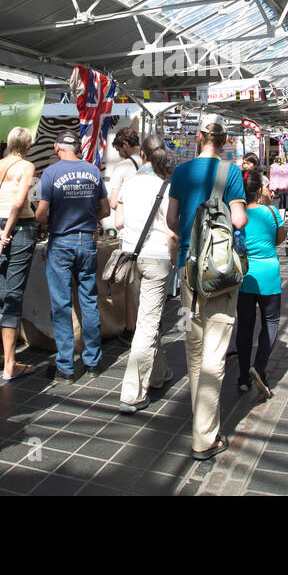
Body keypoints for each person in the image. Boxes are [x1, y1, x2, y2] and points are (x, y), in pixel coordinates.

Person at [167, 114, 247, 461]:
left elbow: (171, 220)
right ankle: (205, 435)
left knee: (195, 348)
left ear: (198, 137)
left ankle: (202, 423)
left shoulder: (181, 172)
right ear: (225, 139)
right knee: (215, 351)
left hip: (188, 267)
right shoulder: (230, 172)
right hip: (217, 270)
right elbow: (240, 219)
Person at [36, 129, 109, 383]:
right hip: (87, 240)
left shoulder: (50, 173)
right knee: (89, 300)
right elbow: (106, 209)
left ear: (57, 147)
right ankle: (93, 361)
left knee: (61, 304)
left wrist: (54, 221)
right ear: (77, 147)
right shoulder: (92, 171)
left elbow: (41, 215)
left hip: (61, 241)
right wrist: (89, 219)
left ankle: (66, 366)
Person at [115, 134, 177, 413]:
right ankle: (131, 393)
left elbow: (118, 222)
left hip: (131, 256)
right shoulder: (165, 186)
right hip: (157, 258)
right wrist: (175, 259)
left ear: (143, 156)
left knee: (147, 318)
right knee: (148, 324)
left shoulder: (129, 182)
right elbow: (172, 227)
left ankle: (159, 374)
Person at [0, 125, 38, 381]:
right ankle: (9, 363)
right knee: (13, 293)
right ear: (27, 146)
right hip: (19, 227)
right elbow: (18, 201)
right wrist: (7, 232)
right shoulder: (26, 167)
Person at [237, 167, 284, 400]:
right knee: (271, 321)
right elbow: (279, 239)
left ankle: (243, 377)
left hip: (244, 276)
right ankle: (260, 365)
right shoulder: (273, 213)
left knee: (244, 327)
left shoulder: (236, 215)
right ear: (259, 190)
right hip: (269, 275)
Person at [107, 127, 141, 209]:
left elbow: (114, 203)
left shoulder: (121, 167)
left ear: (125, 144)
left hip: (130, 218)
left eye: (119, 150)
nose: (120, 155)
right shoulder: (151, 161)